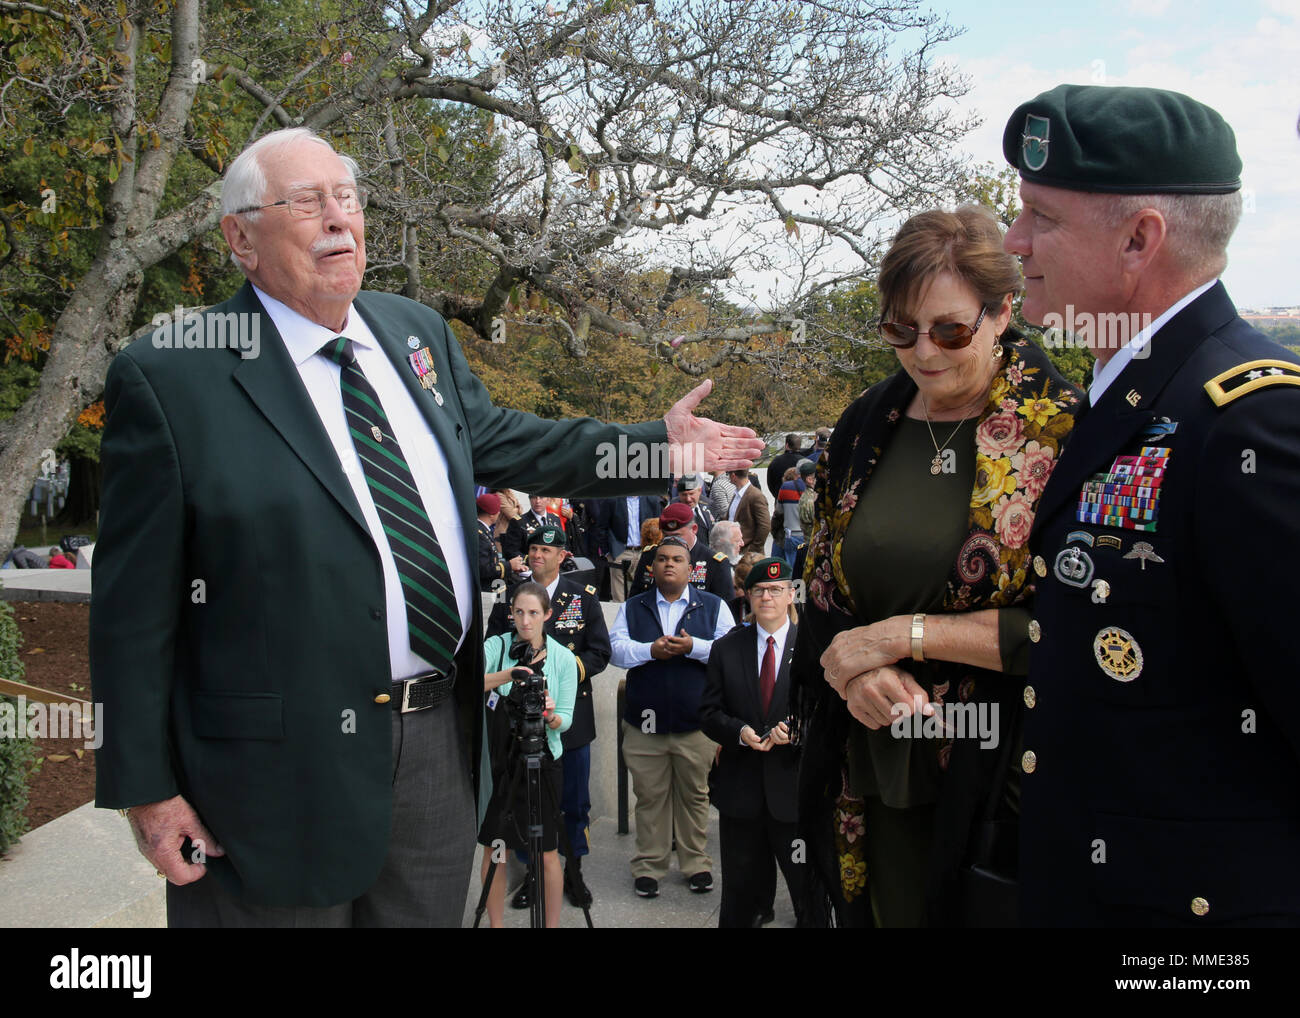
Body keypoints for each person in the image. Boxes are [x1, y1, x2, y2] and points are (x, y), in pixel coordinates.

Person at [88, 125, 764, 927]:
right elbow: (131, 614)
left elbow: (517, 442)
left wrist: (656, 446)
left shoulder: (414, 332)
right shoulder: (171, 374)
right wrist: (148, 793)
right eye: (307, 202)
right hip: (269, 777)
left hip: (437, 744)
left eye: (347, 197)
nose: (340, 219)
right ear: (241, 238)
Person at [1001, 84, 1300, 926]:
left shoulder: (1249, 417)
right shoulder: (1126, 394)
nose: (1014, 241)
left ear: (1140, 238)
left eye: (1041, 218)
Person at [789, 204, 1083, 927]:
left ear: (1004, 311)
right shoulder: (862, 429)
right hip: (870, 766)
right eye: (900, 329)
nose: (925, 352)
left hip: (1001, 783)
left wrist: (901, 638)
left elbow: (1078, 626)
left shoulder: (1065, 434)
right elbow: (824, 588)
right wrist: (856, 670)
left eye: (951, 329)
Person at [485, 524, 610, 911]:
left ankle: (572, 873)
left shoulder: (583, 598)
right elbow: (494, 647)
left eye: (546, 550)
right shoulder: (513, 600)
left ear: (562, 556)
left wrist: (564, 671)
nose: (538, 555)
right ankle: (534, 876)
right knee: (520, 804)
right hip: (517, 725)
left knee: (571, 803)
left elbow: (599, 651)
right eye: (533, 548)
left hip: (567, 720)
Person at [610, 537, 735, 897]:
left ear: (690, 567)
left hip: (695, 722)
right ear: (651, 567)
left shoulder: (712, 606)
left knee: (695, 795)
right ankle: (650, 865)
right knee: (649, 796)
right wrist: (650, 650)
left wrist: (693, 648)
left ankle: (696, 864)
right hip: (644, 723)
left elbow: (729, 651)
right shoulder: (633, 607)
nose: (668, 564)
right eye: (662, 559)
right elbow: (616, 650)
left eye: (677, 559)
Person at [700, 557, 804, 927]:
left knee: (807, 892)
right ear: (748, 596)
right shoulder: (727, 648)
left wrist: (797, 729)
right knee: (739, 897)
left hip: (793, 793)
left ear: (792, 594)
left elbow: (827, 714)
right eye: (760, 590)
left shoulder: (811, 648)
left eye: (777, 590)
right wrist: (739, 732)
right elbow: (708, 713)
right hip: (741, 792)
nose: (768, 598)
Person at [478, 582, 576, 928]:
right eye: (519, 612)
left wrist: (549, 714)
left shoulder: (563, 657)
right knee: (497, 848)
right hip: (501, 763)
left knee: (547, 851)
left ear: (547, 615)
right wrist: (512, 674)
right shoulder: (497, 645)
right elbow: (471, 680)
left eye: (534, 613)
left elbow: (565, 720)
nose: (526, 620)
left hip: (543, 760)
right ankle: (495, 924)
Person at [628, 501, 734, 601]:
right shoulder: (650, 556)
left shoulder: (714, 563)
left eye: (677, 536)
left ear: (694, 529)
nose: (672, 541)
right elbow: (635, 601)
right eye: (666, 536)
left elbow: (724, 610)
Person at [597, 494, 662, 602]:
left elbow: (659, 525)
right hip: (620, 552)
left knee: (643, 590)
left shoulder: (651, 500)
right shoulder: (612, 500)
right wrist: (607, 552)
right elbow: (601, 527)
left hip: (644, 551)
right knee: (619, 596)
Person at [727, 468, 771, 555]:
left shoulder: (756, 495)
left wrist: (753, 550)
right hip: (735, 551)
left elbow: (765, 526)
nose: (727, 477)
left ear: (733, 476)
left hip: (748, 554)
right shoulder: (737, 494)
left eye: (728, 475)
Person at [774, 467, 805, 567]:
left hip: (789, 535)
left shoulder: (784, 490)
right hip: (805, 534)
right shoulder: (808, 489)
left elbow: (778, 512)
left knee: (789, 567)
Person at [476, 492, 506, 593]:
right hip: (486, 589)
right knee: (490, 608)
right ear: (492, 515)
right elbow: (484, 569)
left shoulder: (483, 530)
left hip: (492, 585)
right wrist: (509, 565)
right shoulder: (480, 534)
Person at [766, 434, 806, 505]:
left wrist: (777, 496)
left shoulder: (776, 461)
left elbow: (770, 482)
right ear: (799, 446)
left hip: (781, 500)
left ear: (786, 445)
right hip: (801, 501)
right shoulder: (805, 462)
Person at [677, 473, 715, 540]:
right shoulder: (674, 510)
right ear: (679, 494)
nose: (688, 499)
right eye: (684, 495)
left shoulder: (709, 505)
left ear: (699, 491)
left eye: (691, 494)